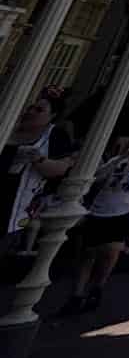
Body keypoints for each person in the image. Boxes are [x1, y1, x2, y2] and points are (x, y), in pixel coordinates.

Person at [59, 116, 129, 314]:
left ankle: (97, 288)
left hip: (124, 210)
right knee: (88, 253)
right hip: (101, 208)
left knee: (110, 251)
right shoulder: (117, 159)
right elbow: (97, 178)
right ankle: (77, 295)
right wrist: (121, 159)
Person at [3, 94, 75, 261]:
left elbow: (60, 169)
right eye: (30, 107)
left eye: (39, 110)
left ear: (52, 116)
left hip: (17, 203)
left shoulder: (55, 136)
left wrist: (38, 159)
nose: (31, 112)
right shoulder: (9, 126)